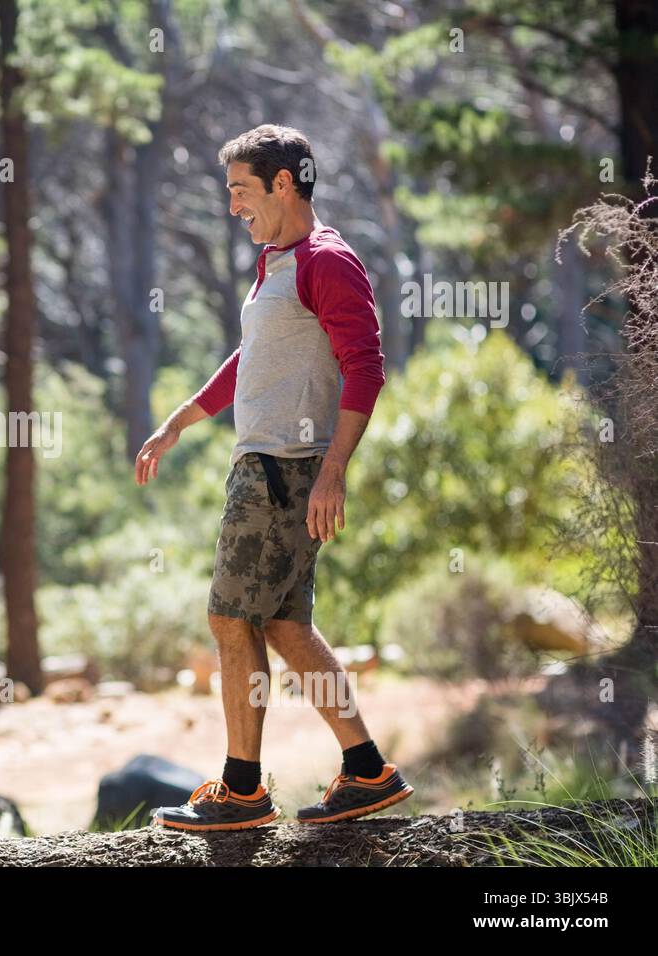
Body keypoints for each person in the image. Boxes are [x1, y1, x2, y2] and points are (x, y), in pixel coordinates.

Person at [135, 124, 412, 829]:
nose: (232, 206)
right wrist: (179, 421)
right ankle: (366, 772)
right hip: (272, 465)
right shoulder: (277, 262)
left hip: (286, 469)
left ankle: (242, 790)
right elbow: (252, 356)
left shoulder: (327, 260)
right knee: (286, 626)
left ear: (283, 184)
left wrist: (332, 472)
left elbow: (366, 366)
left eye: (240, 190)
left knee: (230, 618)